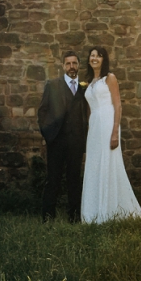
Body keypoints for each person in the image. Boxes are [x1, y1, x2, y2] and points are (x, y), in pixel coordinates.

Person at [80, 46, 141, 223]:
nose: (94, 58)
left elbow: (118, 105)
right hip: (95, 126)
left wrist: (115, 131)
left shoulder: (110, 78)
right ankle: (93, 211)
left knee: (108, 163)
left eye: (98, 56)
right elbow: (90, 109)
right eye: (92, 55)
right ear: (89, 59)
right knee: (95, 164)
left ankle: (110, 210)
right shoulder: (89, 82)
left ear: (104, 60)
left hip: (108, 123)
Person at [38, 51, 88, 222]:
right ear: (63, 66)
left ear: (78, 65)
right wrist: (48, 135)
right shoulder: (52, 85)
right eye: (68, 63)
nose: (71, 67)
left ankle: (74, 218)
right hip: (56, 141)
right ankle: (48, 218)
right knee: (53, 179)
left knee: (74, 179)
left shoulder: (84, 87)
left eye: (74, 63)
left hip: (76, 141)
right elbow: (42, 111)